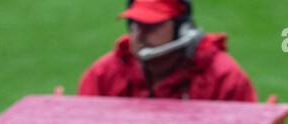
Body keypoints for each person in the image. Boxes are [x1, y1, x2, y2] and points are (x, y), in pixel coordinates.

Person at [78, 0, 256, 101]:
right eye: (134, 24)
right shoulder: (103, 75)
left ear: (182, 30)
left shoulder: (225, 78)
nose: (138, 34)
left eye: (150, 25)